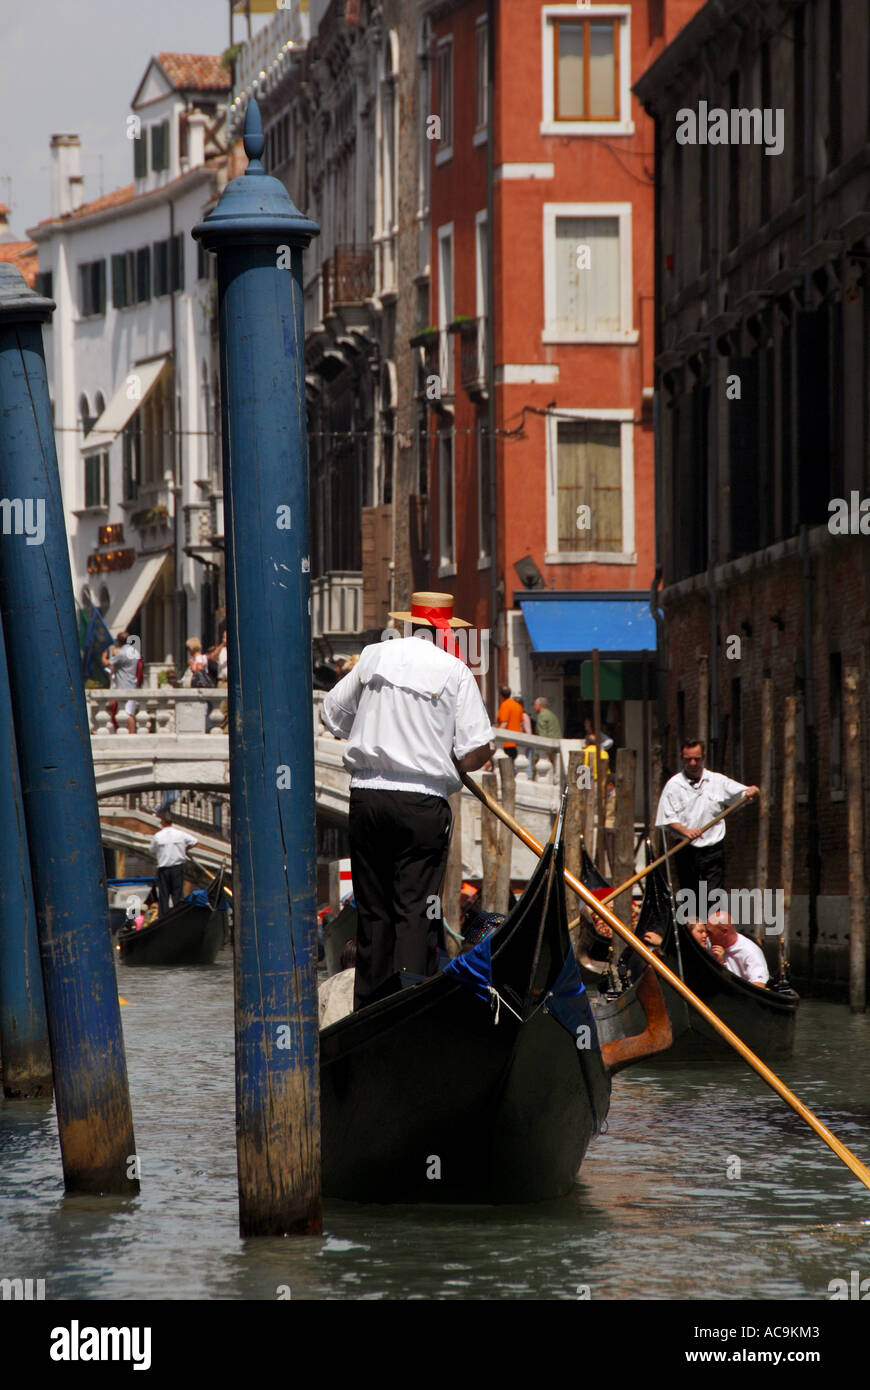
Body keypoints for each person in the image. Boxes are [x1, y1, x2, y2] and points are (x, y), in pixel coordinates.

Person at [321, 590, 494, 1010]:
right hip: (421, 804)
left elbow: (332, 714)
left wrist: (375, 729)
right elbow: (481, 747)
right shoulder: (454, 670)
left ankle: (368, 1006)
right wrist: (454, 761)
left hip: (369, 798)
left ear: (409, 623)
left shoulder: (376, 655)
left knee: (374, 908)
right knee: (417, 909)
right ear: (445, 630)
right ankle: (409, 1003)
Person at [655, 739, 759, 901]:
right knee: (690, 898)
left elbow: (743, 794)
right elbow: (667, 818)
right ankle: (694, 925)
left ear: (703, 757)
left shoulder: (717, 781)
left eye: (696, 758)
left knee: (713, 897)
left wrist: (752, 790)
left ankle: (713, 924)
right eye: (688, 759)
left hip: (713, 850)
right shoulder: (674, 785)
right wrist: (686, 831)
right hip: (685, 849)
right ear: (682, 759)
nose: (693, 763)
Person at [148, 812, 197, 917]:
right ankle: (178, 915)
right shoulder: (180, 834)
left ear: (162, 822)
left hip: (164, 869)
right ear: (172, 822)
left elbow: (152, 850)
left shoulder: (158, 836)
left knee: (164, 894)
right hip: (177, 868)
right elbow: (195, 842)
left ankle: (163, 917)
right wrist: (184, 849)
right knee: (177, 894)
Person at [704, 909, 769, 987]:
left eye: (710, 932)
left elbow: (759, 986)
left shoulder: (750, 952)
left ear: (724, 932)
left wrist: (721, 965)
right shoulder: (709, 942)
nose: (706, 935)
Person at [102, 630, 140, 734]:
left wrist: (103, 656)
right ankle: (131, 732)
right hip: (132, 682)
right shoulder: (134, 651)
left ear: (119, 641)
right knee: (130, 711)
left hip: (124, 684)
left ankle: (131, 733)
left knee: (127, 712)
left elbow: (107, 663)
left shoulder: (122, 652)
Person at [496, 685, 524, 761]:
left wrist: (497, 738)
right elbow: (521, 725)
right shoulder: (518, 706)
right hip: (517, 741)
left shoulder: (505, 705)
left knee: (506, 767)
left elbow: (504, 723)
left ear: (500, 695)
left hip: (507, 742)